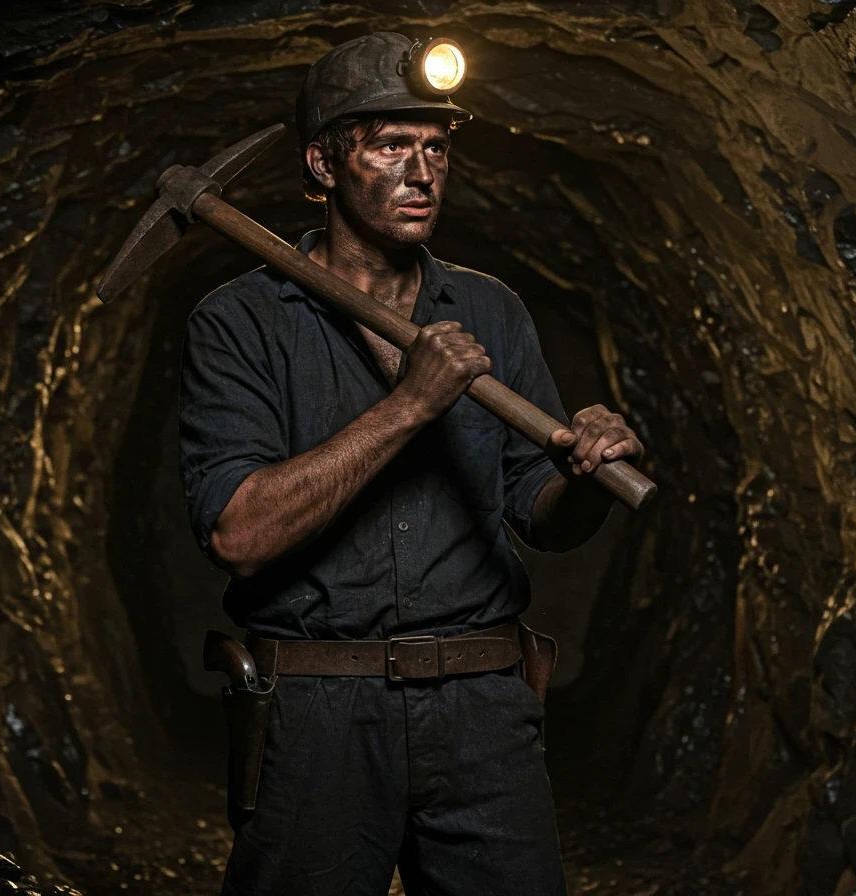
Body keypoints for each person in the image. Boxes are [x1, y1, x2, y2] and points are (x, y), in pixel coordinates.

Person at [178, 31, 644, 896]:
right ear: (322, 164)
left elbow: (535, 509)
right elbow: (239, 533)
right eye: (391, 145)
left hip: (483, 711)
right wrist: (409, 405)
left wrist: (584, 483)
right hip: (316, 713)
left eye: (436, 148)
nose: (422, 172)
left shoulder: (489, 311)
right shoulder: (241, 323)